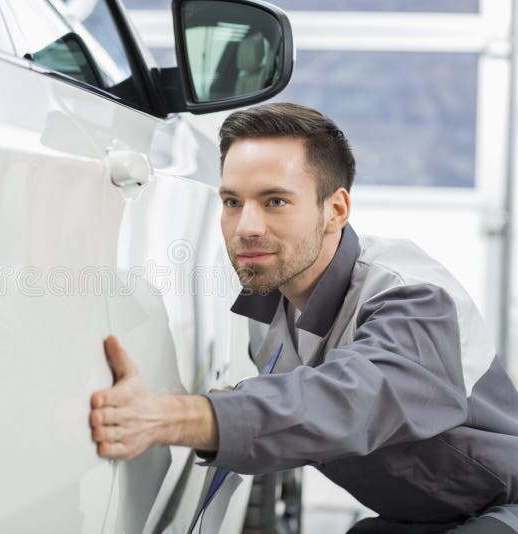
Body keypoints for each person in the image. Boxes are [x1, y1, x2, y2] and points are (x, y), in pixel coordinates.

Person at [88, 103, 518, 533]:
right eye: (232, 202)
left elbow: (348, 401)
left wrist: (177, 417)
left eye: (275, 201)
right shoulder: (269, 310)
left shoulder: (413, 299)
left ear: (336, 210)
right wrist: (237, 404)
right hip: (413, 520)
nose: (245, 227)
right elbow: (302, 419)